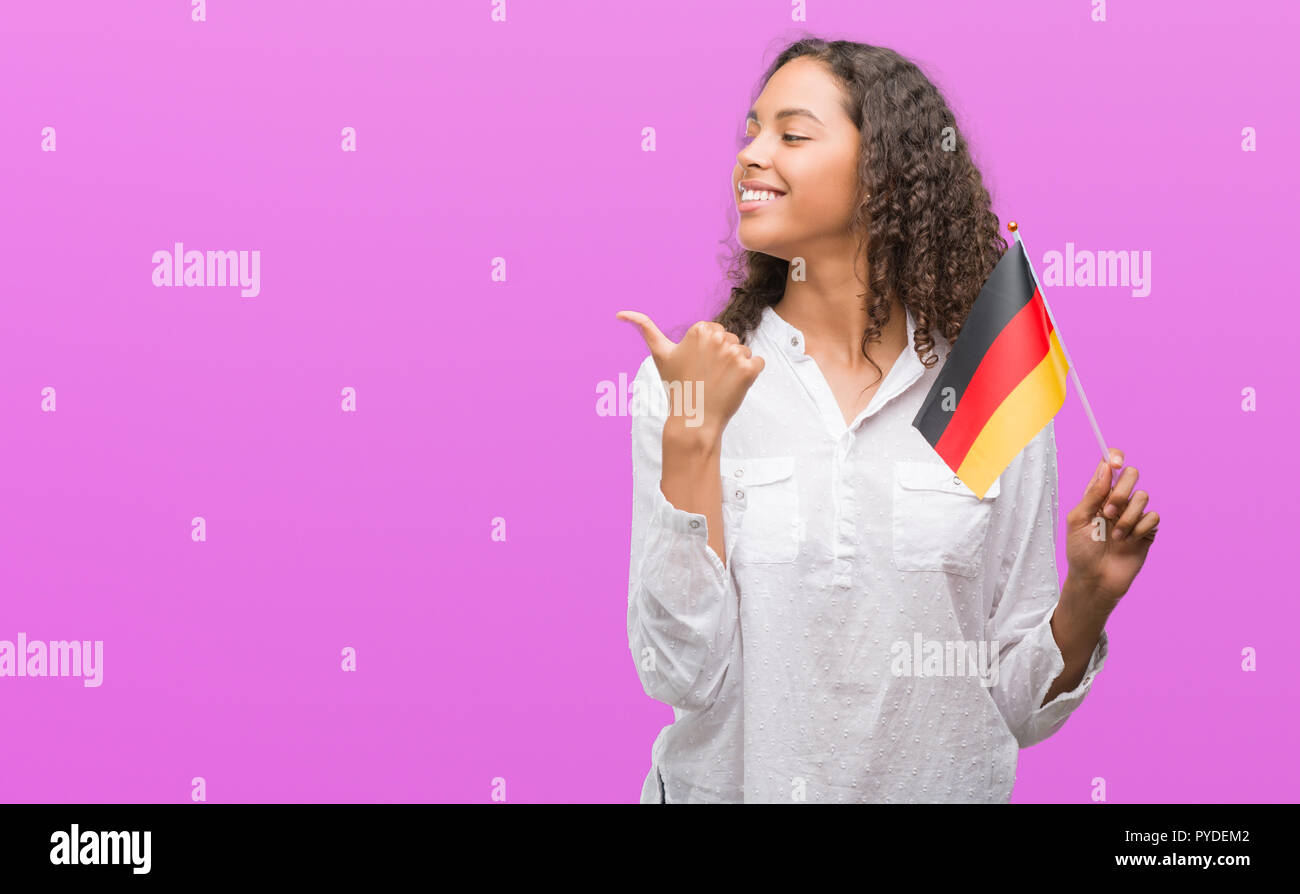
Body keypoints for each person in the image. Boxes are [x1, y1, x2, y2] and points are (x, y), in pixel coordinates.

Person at [616, 37, 1159, 804]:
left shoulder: (988, 384)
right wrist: (693, 439)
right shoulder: (691, 382)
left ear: (884, 173)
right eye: (749, 134)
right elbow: (681, 673)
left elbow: (1017, 704)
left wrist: (1089, 597)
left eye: (791, 134)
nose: (751, 156)